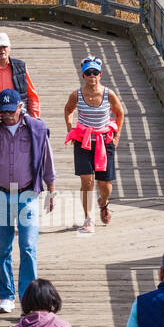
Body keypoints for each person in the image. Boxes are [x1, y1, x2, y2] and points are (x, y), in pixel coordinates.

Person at [0, 88, 56, 313]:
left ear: (20, 107)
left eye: (11, 111)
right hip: (0, 193)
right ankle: (6, 297)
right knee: (2, 248)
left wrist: (51, 191)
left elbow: (47, 161)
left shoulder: (36, 127)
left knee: (27, 247)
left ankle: (29, 301)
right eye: (3, 112)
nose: (8, 116)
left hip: (27, 193)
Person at [64, 56, 125, 234]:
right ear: (83, 76)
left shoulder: (108, 94)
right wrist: (70, 128)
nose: (92, 76)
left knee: (104, 183)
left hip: (104, 140)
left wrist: (117, 136)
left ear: (100, 75)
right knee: (87, 180)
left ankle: (103, 202)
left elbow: (119, 113)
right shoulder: (77, 94)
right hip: (83, 141)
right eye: (88, 73)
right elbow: (68, 110)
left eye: (95, 72)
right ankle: (88, 218)